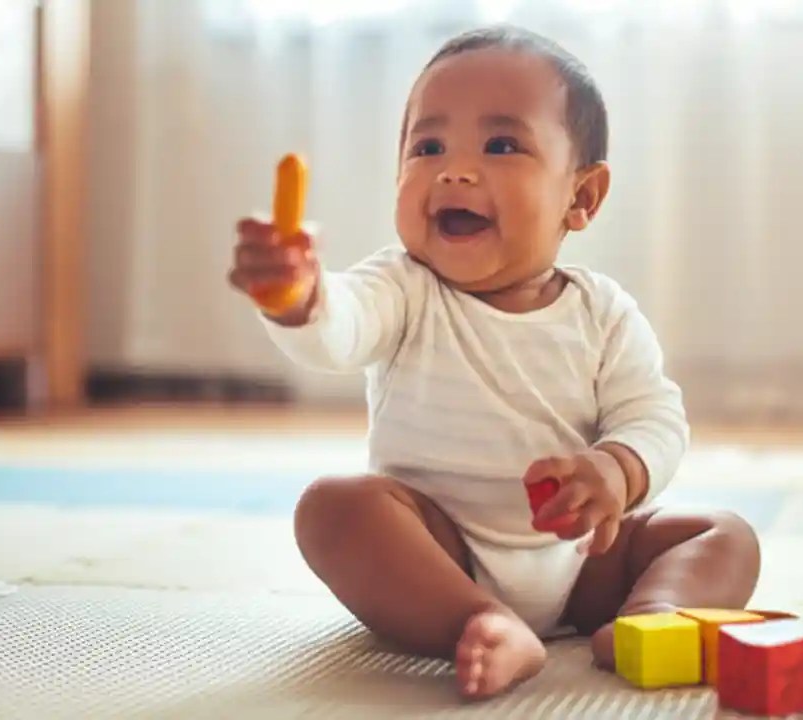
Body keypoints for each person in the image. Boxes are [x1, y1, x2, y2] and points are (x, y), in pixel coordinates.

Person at [229, 25, 760, 699]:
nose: (454, 169)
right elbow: (341, 327)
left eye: (502, 145)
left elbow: (654, 416)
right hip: (440, 555)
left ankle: (651, 618)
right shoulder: (403, 287)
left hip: (582, 560)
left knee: (726, 533)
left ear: (582, 198)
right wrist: (297, 296)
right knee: (332, 509)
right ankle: (479, 621)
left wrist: (616, 471)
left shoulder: (602, 312)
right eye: (427, 147)